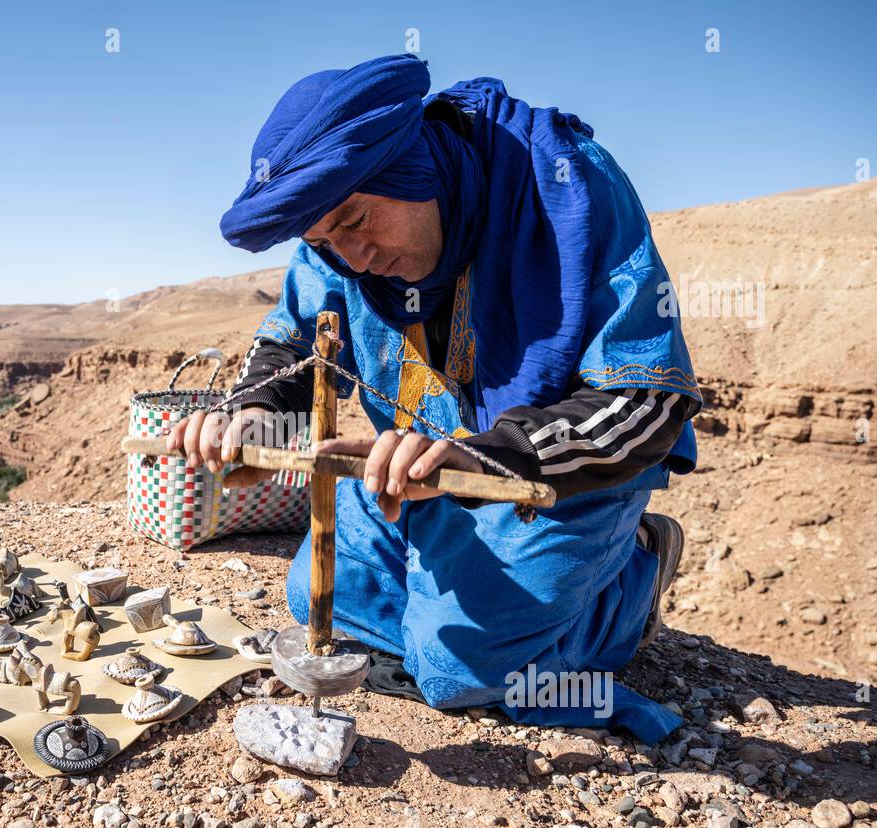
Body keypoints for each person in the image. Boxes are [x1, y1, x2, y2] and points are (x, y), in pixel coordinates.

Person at [165, 54, 700, 744]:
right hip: (409, 469)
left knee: (456, 672)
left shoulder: (572, 185)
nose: (353, 259)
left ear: (412, 166)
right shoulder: (330, 232)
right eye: (325, 241)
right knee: (319, 601)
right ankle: (468, 582)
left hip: (552, 472)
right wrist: (249, 416)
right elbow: (292, 345)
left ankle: (633, 574)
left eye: (357, 221)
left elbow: (645, 400)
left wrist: (485, 460)